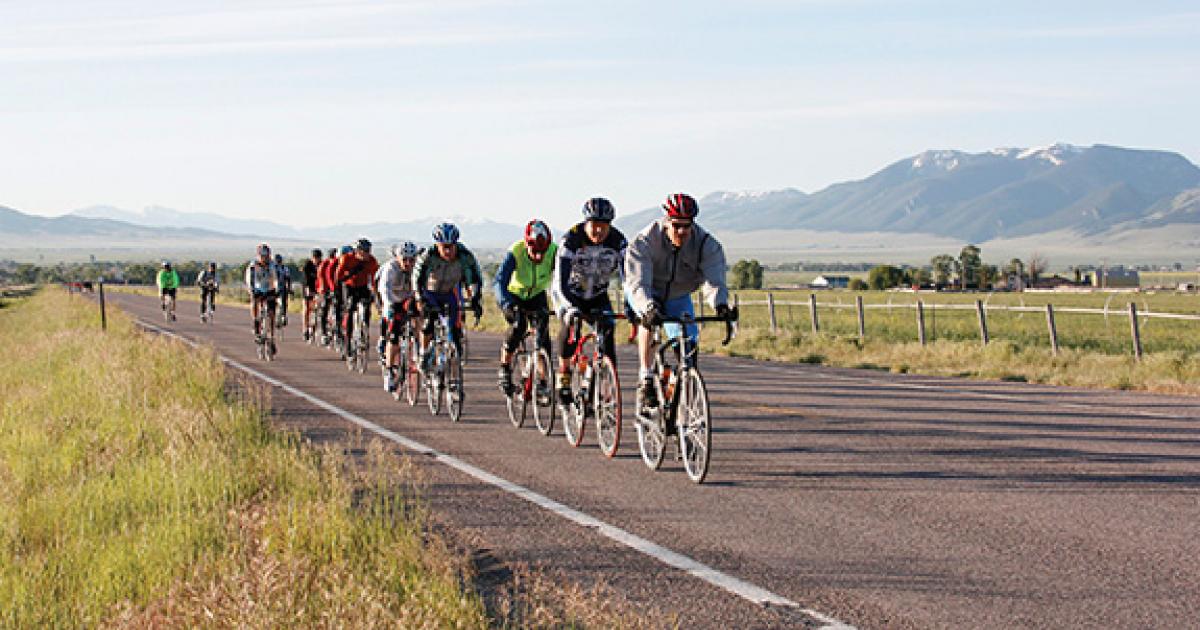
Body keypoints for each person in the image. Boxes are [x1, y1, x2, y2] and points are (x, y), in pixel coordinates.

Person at [624, 193, 731, 416]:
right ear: (667, 222)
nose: (682, 231)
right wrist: (647, 308)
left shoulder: (705, 244)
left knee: (688, 348)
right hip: (646, 291)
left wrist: (721, 305)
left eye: (687, 226)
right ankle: (646, 376)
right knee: (648, 323)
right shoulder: (645, 242)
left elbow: (714, 278)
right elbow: (638, 283)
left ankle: (683, 405)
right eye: (676, 226)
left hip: (678, 295)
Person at [550, 198, 627, 405]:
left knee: (608, 330)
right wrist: (569, 307)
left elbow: (628, 279)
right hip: (569, 293)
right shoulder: (571, 240)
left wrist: (632, 306)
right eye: (594, 225)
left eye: (604, 226)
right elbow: (559, 281)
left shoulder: (618, 241)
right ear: (586, 223)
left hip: (597, 295)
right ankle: (564, 374)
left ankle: (605, 385)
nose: (599, 231)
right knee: (571, 327)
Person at [493, 219, 556, 394]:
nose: (539, 257)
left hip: (536, 295)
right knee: (518, 326)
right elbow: (499, 282)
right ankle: (505, 367)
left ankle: (543, 380)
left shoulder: (554, 252)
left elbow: (563, 279)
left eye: (542, 252)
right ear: (527, 244)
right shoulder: (516, 251)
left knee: (543, 337)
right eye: (534, 252)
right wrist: (506, 303)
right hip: (514, 295)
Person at [413, 222, 483, 368]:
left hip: (449, 293)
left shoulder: (465, 256)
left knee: (455, 328)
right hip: (430, 293)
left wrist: (475, 299)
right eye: (444, 246)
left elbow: (474, 279)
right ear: (437, 245)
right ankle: (423, 353)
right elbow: (416, 278)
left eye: (451, 246)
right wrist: (420, 299)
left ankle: (455, 367)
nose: (448, 251)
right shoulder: (428, 255)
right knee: (429, 322)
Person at [376, 242, 420, 391]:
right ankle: (389, 371)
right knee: (393, 334)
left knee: (419, 316)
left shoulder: (417, 269)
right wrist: (389, 307)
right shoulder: (391, 268)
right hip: (392, 299)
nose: (408, 263)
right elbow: (384, 290)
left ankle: (418, 347)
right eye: (405, 260)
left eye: (412, 260)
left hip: (407, 299)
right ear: (398, 258)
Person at [335, 238, 379, 355]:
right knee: (350, 309)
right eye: (364, 251)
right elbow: (338, 276)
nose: (367, 254)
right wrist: (338, 288)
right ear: (357, 251)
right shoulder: (347, 258)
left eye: (368, 251)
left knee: (366, 307)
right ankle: (348, 341)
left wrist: (375, 294)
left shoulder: (372, 261)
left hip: (363, 286)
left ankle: (364, 330)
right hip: (349, 286)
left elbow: (374, 279)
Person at [245, 243, 281, 352]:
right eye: (262, 256)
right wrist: (251, 290)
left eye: (266, 256)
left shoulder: (272, 265)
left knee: (272, 313)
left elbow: (276, 278)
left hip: (269, 289)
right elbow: (249, 280)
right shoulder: (253, 266)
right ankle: (256, 322)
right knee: (254, 301)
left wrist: (277, 289)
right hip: (257, 288)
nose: (264, 258)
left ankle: (272, 338)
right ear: (258, 256)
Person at [317, 247, 341, 343]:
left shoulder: (338, 263)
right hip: (325, 289)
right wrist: (324, 289)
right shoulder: (324, 264)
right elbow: (321, 277)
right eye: (332, 257)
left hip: (335, 289)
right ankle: (324, 333)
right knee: (324, 308)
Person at [301, 248, 322, 341]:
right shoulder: (307, 265)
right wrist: (308, 289)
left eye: (318, 258)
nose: (316, 260)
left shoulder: (322, 265)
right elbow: (305, 278)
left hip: (318, 288)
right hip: (308, 287)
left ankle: (314, 328)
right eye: (315, 258)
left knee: (317, 308)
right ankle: (305, 328)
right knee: (306, 308)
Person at [274, 253, 292, 326]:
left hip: (282, 288)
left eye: (279, 261)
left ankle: (283, 315)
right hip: (273, 288)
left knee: (284, 301)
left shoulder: (285, 268)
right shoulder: (272, 268)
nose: (278, 262)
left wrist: (289, 288)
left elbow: (288, 279)